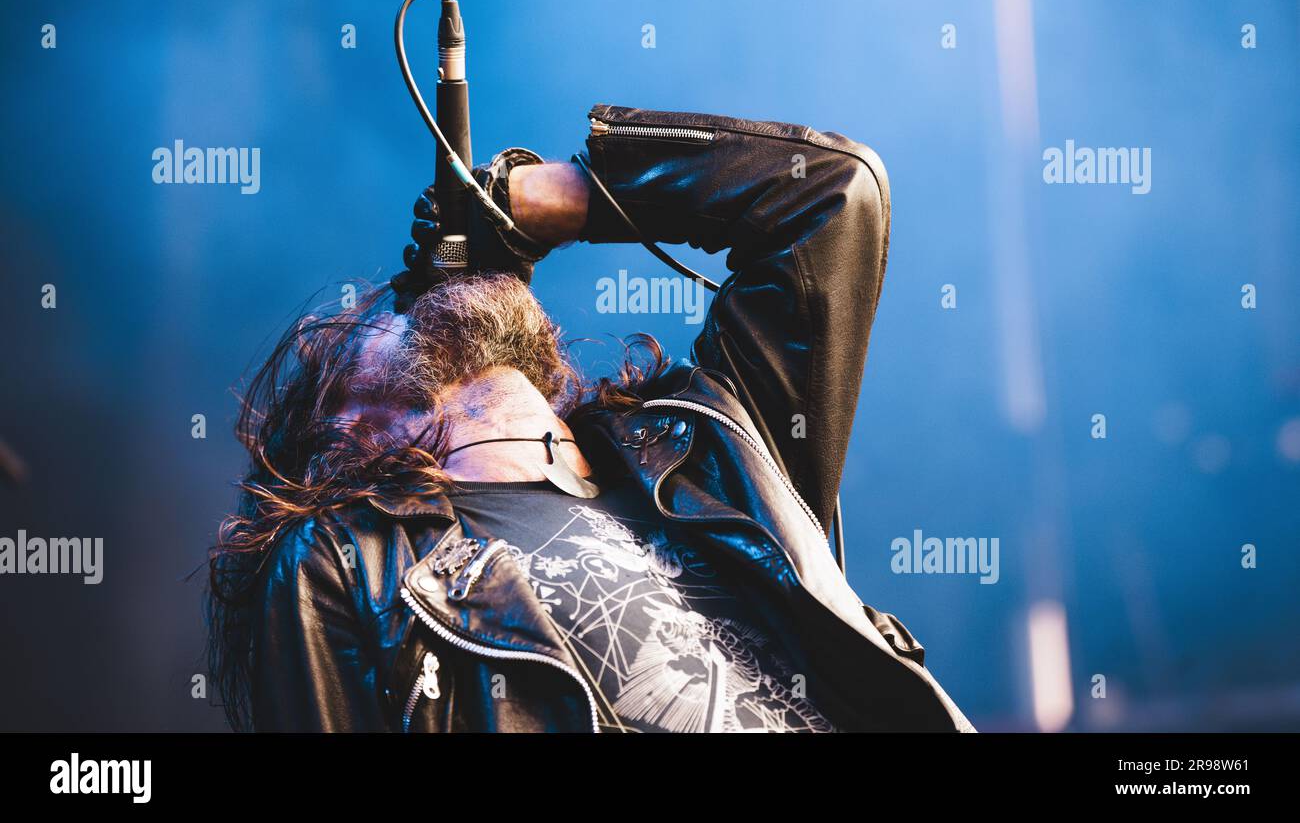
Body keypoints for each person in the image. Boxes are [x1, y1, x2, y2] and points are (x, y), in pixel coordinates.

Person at [207, 103, 973, 732]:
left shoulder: (714, 454)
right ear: (348, 434)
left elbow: (832, 194)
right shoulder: (347, 568)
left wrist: (545, 197)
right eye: (392, 310)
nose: (424, 290)